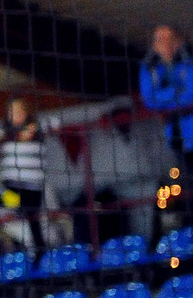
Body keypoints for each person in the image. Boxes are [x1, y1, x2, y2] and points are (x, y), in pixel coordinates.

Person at [43, 106, 173, 247]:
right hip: (126, 191)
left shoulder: (143, 133)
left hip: (146, 188)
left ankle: (152, 250)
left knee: (151, 227)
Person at [141, 25, 193, 219]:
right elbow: (150, 100)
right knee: (182, 190)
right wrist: (178, 90)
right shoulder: (149, 68)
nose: (166, 43)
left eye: (170, 38)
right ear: (154, 45)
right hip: (172, 139)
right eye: (160, 39)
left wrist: (166, 98)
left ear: (178, 41)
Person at [0, 99, 49, 256]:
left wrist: (34, 128)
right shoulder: (2, 131)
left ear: (26, 113)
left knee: (33, 222)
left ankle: (38, 254)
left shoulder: (39, 127)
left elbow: (55, 122)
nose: (15, 115)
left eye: (19, 111)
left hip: (33, 187)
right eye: (11, 112)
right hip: (11, 186)